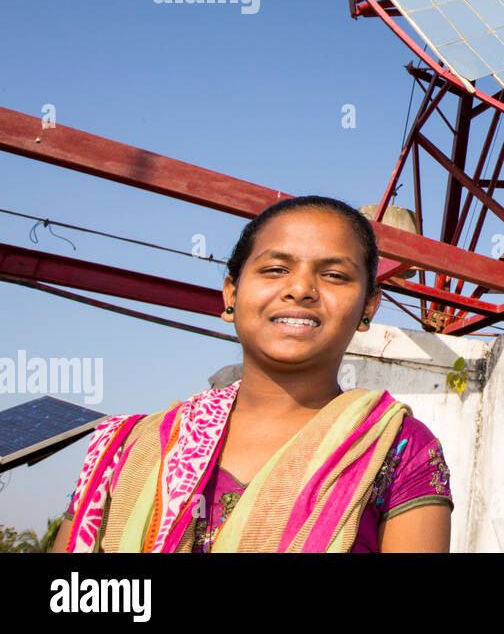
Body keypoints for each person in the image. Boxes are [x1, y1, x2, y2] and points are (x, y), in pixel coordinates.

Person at [54, 196, 452, 553]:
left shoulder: (400, 451)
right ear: (230, 294)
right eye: (276, 269)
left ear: (369, 306)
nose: (300, 289)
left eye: (334, 275)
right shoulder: (128, 450)